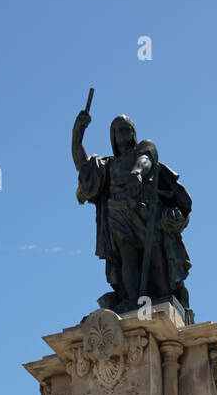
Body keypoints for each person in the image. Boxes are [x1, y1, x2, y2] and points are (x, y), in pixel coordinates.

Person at [72, 110, 192, 316]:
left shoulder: (143, 149)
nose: (124, 132)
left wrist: (137, 173)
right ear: (113, 136)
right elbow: (83, 167)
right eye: (119, 130)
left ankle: (165, 297)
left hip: (145, 213)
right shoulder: (108, 165)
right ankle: (134, 301)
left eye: (128, 129)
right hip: (117, 214)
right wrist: (77, 135)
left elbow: (146, 160)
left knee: (156, 256)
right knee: (127, 259)